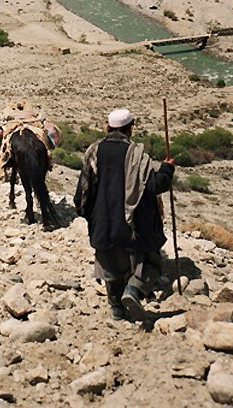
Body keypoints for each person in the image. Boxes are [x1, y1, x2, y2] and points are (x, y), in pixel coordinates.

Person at [74, 108, 175, 322]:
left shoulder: (94, 151)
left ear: (107, 128)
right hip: (131, 225)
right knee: (152, 262)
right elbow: (154, 186)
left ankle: (117, 309)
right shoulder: (138, 155)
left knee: (110, 266)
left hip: (103, 222)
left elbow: (84, 189)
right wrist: (167, 169)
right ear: (130, 130)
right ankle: (134, 291)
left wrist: (88, 216)